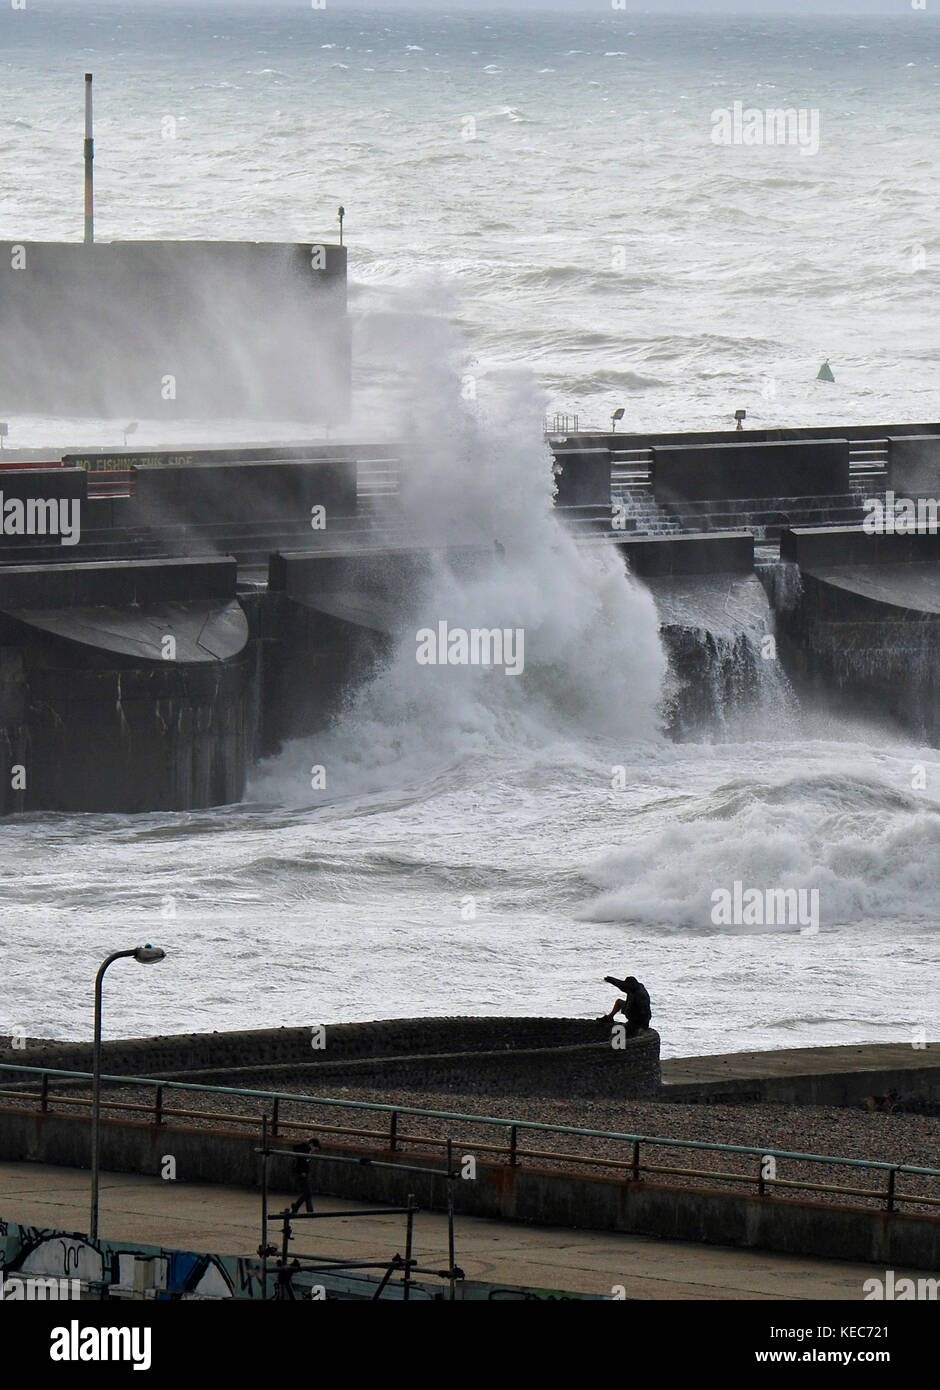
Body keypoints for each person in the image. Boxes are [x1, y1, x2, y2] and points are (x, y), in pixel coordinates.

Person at [287, 1138, 320, 1215]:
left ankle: (304, 1208)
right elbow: (301, 1161)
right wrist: (303, 1172)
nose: (315, 1152)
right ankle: (306, 1209)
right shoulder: (305, 1150)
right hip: (300, 1173)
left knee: (307, 1192)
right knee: (307, 1192)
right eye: (315, 1150)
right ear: (311, 1145)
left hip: (302, 1173)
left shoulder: (307, 1151)